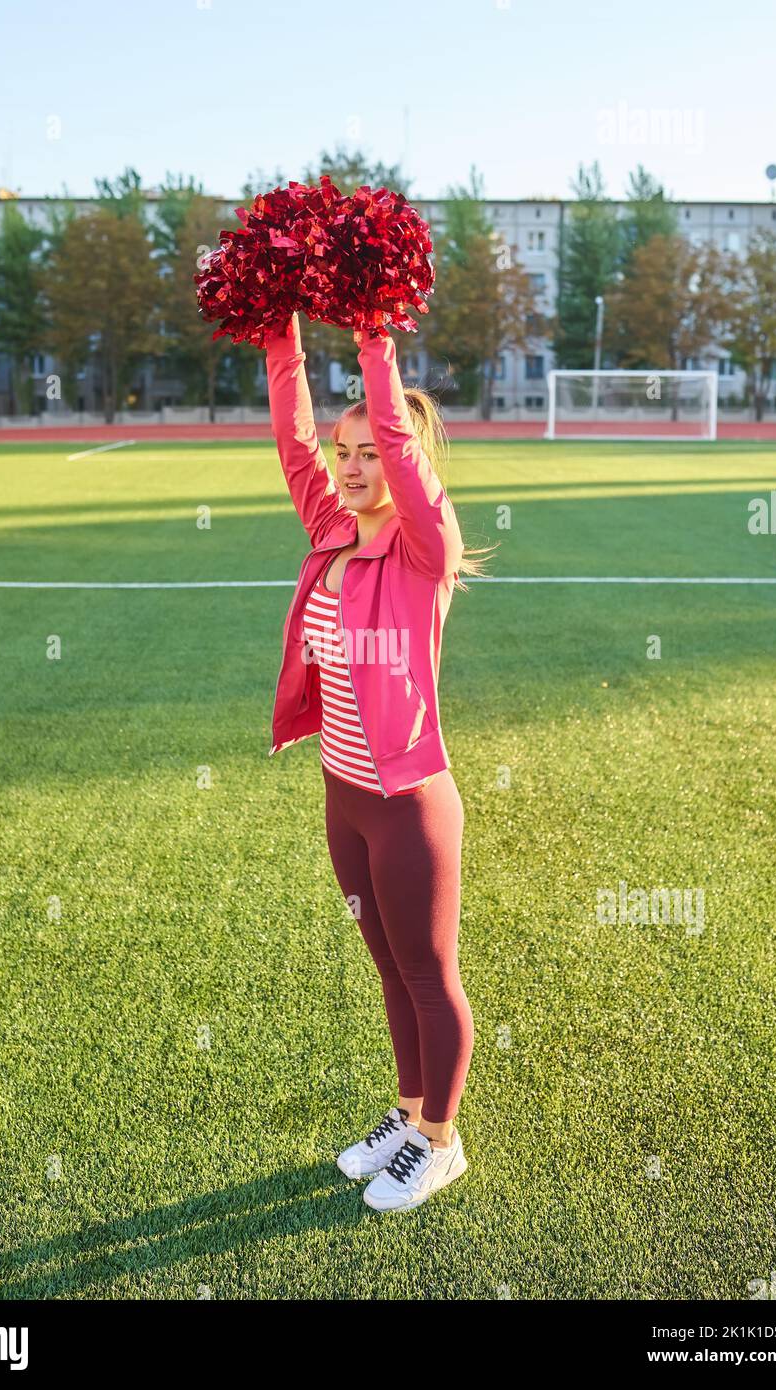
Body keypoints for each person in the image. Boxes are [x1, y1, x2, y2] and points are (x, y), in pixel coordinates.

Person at [264, 311, 488, 1212]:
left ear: (401, 463)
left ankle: (442, 1140)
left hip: (409, 805)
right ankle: (407, 1114)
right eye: (343, 451)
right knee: (387, 965)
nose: (351, 466)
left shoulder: (422, 548)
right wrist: (280, 340)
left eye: (369, 452)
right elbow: (290, 444)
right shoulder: (329, 528)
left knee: (430, 975)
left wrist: (372, 342)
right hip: (344, 795)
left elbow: (398, 440)